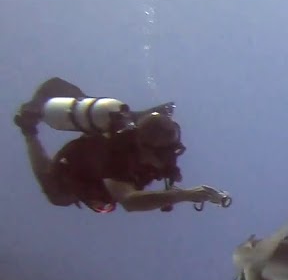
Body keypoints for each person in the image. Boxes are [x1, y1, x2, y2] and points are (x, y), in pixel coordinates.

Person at [13, 77, 231, 213]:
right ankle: (29, 132)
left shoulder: (146, 135)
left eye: (171, 150)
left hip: (106, 159)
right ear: (146, 148)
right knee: (57, 195)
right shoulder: (115, 156)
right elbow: (129, 201)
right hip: (75, 166)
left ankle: (36, 122)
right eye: (164, 153)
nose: (169, 157)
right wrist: (184, 195)